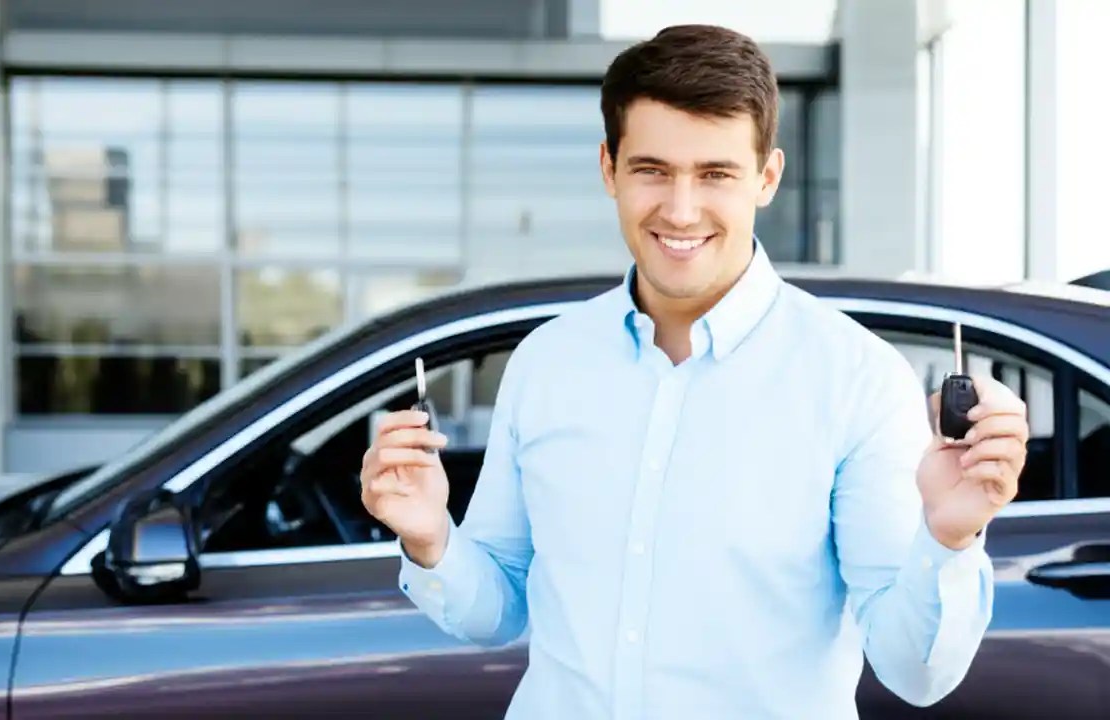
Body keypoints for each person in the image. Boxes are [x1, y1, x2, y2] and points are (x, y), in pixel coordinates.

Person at [359, 23, 1029, 720]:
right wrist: (431, 540)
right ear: (608, 169)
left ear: (767, 177)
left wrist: (949, 539)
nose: (680, 210)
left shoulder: (855, 377)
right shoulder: (547, 362)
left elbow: (914, 674)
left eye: (715, 174)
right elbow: (495, 613)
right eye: (652, 170)